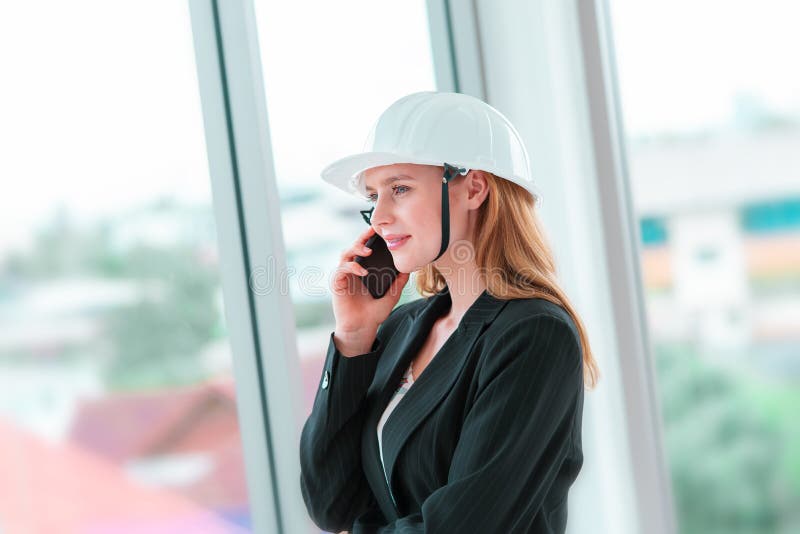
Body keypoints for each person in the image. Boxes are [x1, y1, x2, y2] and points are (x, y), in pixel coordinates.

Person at [299, 91, 600, 534]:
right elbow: (331, 504)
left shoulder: (533, 334)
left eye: (399, 188)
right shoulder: (400, 328)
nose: (378, 216)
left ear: (474, 187)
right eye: (374, 195)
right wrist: (353, 337)